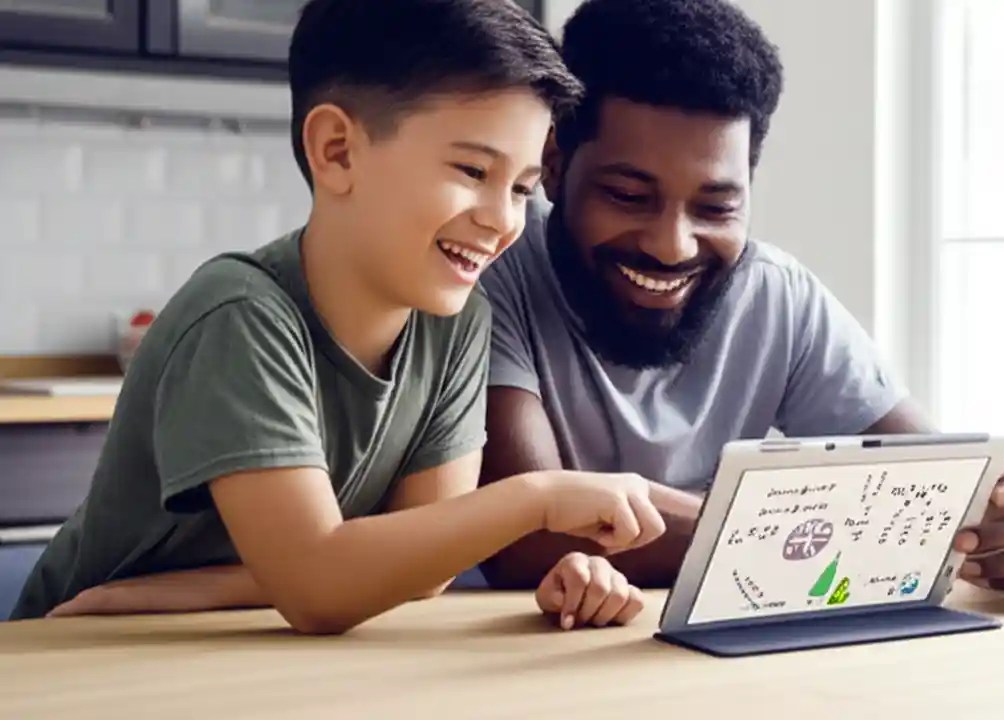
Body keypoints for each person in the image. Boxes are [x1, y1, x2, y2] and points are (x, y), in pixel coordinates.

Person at [10, 0, 666, 633]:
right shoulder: (241, 316)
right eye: (472, 170)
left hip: (216, 638)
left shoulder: (458, 326)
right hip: (76, 652)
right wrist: (538, 497)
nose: (503, 220)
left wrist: (188, 591)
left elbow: (418, 574)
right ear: (337, 152)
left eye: (522, 188)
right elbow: (321, 588)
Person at [477, 0, 1004, 602]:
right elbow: (527, 535)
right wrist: (815, 532)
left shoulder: (774, 293)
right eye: (628, 196)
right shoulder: (488, 267)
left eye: (716, 207)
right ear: (554, 166)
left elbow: (938, 491)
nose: (671, 245)